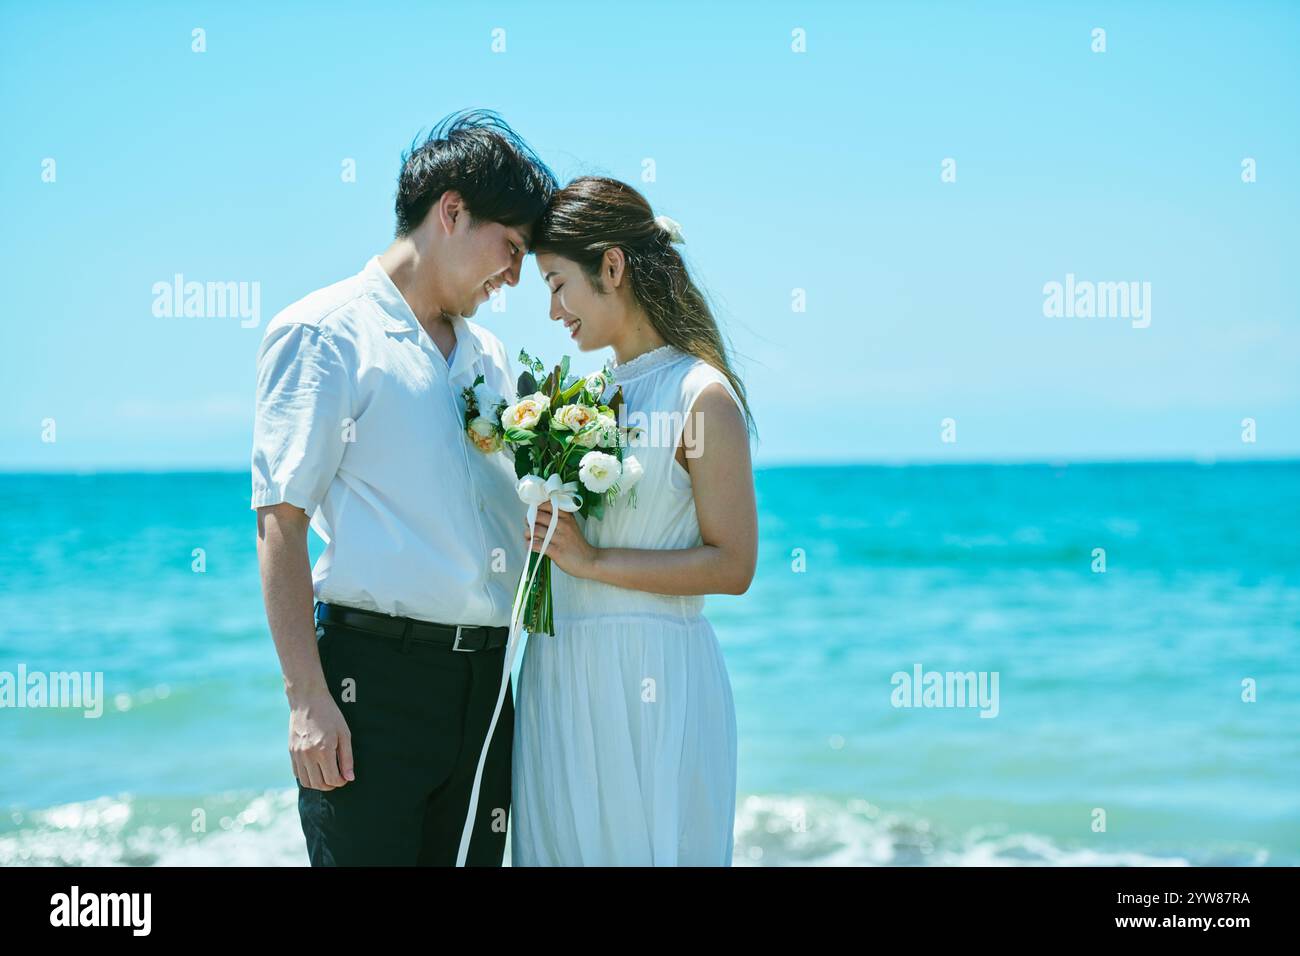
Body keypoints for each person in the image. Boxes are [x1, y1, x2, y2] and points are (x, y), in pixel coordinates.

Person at [251, 109, 555, 865]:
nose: (515, 275)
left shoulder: (488, 354)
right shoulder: (324, 332)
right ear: (451, 211)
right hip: (372, 686)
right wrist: (307, 700)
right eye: (510, 247)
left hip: (487, 686)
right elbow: (280, 521)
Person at [510, 176, 758, 865]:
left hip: (652, 677)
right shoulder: (582, 397)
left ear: (611, 267)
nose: (554, 309)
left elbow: (733, 564)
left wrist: (590, 562)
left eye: (559, 284)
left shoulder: (700, 396)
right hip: (559, 672)